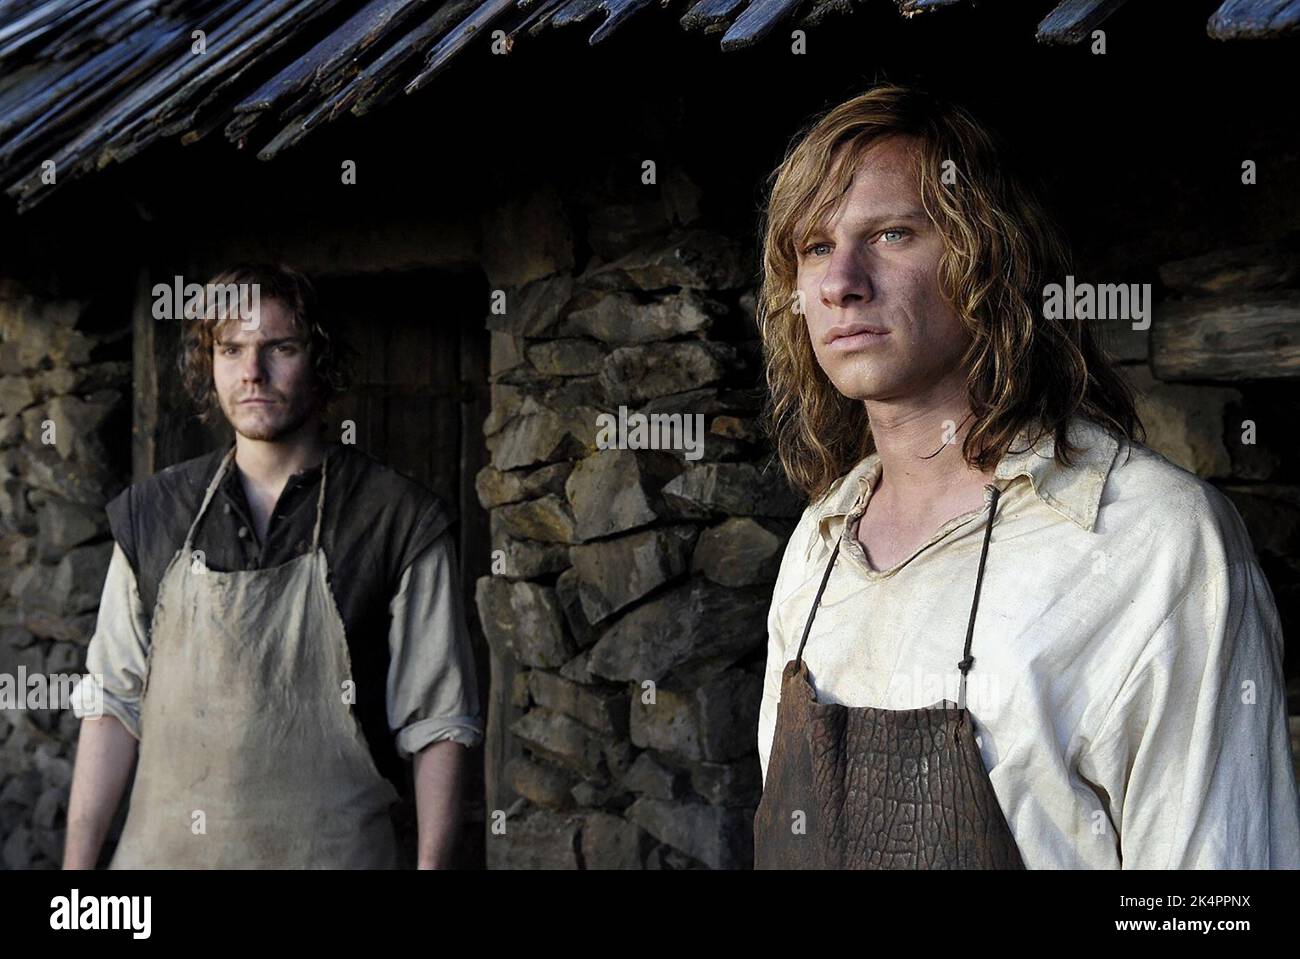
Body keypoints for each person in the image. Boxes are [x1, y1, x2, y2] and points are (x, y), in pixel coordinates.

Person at [752, 84, 1300, 869]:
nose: (842, 279)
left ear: (987, 259)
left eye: (893, 233)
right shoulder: (818, 548)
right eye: (814, 247)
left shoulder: (1154, 543)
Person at [63, 263, 483, 869]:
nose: (252, 373)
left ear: (320, 359)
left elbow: (440, 722)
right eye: (231, 349)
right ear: (210, 364)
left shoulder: (395, 519)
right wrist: (76, 877)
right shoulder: (154, 513)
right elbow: (112, 705)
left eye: (280, 347)